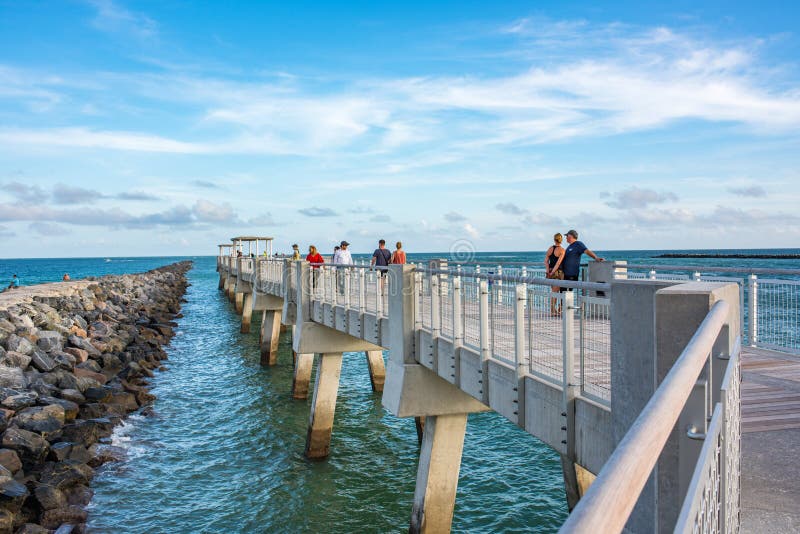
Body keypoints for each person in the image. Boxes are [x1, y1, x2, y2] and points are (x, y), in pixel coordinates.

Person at [544, 233, 565, 314]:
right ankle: (553, 310)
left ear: (554, 239)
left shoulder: (550, 248)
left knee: (553, 291)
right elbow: (558, 263)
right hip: (558, 272)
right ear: (561, 240)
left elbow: (546, 261)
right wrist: (553, 272)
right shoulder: (562, 250)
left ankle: (553, 309)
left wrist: (548, 271)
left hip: (550, 271)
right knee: (555, 292)